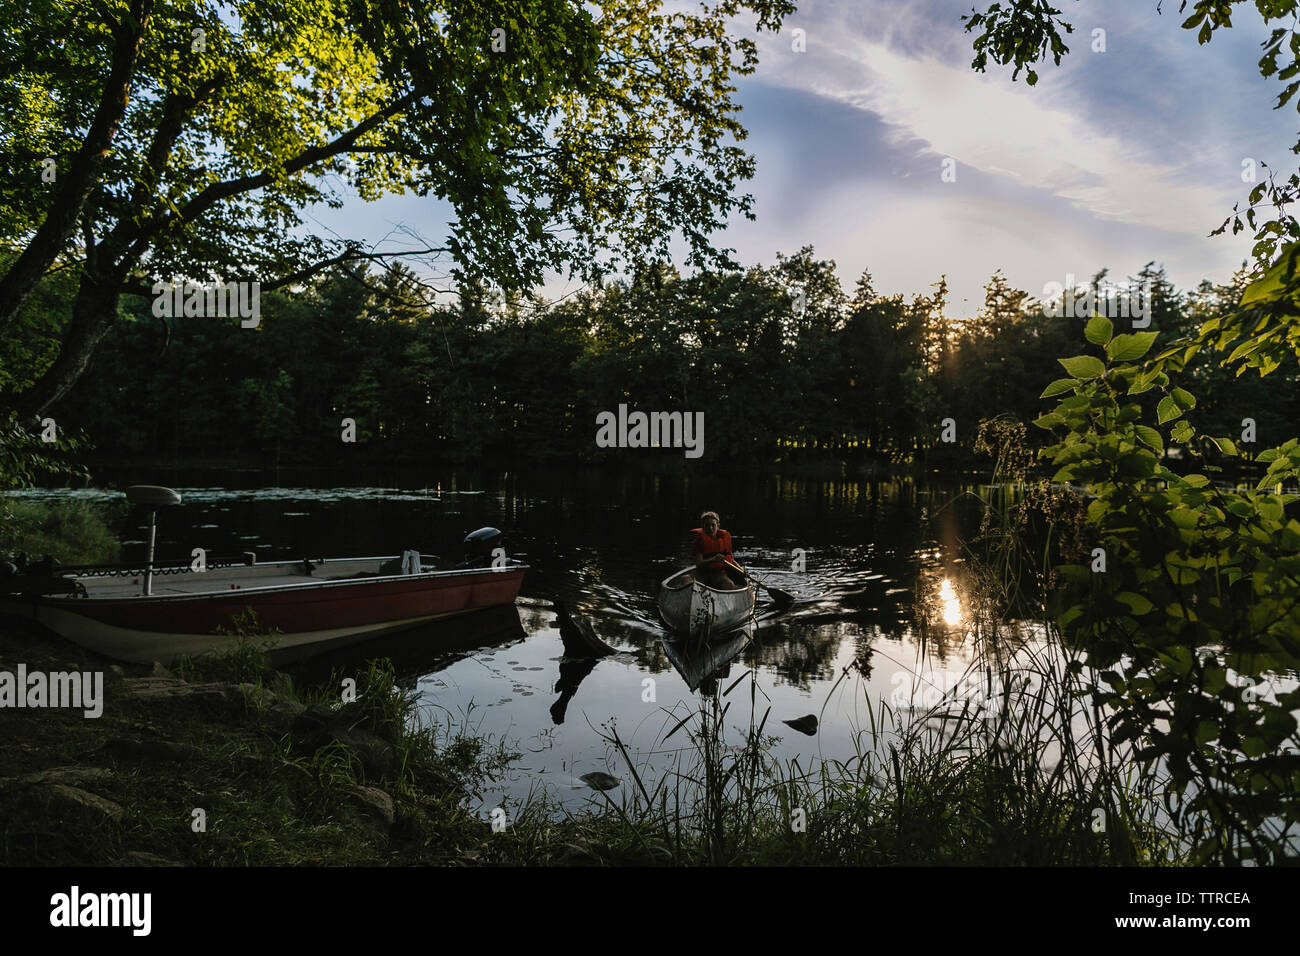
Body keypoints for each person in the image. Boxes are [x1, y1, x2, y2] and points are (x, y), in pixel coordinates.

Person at [690, 511, 744, 590]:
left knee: (729, 584)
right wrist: (713, 559)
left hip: (718, 574)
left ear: (718, 526)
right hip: (701, 573)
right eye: (707, 525)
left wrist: (741, 570)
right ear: (702, 526)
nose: (710, 528)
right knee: (686, 579)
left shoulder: (724, 539)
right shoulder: (699, 541)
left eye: (713, 525)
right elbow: (699, 563)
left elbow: (730, 559)